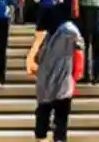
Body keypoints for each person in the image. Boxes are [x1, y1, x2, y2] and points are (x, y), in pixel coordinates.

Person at [27, 14, 84, 142]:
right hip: (63, 82)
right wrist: (76, 74)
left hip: (47, 82)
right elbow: (79, 52)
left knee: (43, 118)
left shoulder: (44, 36)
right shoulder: (71, 31)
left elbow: (34, 60)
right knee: (60, 121)